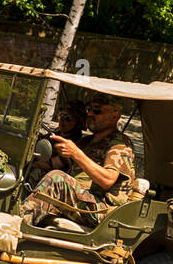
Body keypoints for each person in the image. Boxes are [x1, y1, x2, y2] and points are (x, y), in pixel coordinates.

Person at [20, 93, 136, 227]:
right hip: (81, 200)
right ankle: (15, 213)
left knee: (56, 178)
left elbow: (107, 180)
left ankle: (15, 226)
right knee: (33, 173)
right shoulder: (86, 142)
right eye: (89, 109)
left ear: (114, 115)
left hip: (101, 208)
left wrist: (76, 153)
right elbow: (54, 164)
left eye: (97, 110)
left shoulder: (120, 145)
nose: (91, 114)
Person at [28, 99, 87, 179]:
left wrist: (30, 164)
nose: (62, 119)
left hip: (51, 179)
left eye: (68, 118)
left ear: (78, 122)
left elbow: (52, 165)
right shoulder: (56, 132)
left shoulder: (74, 144)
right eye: (61, 115)